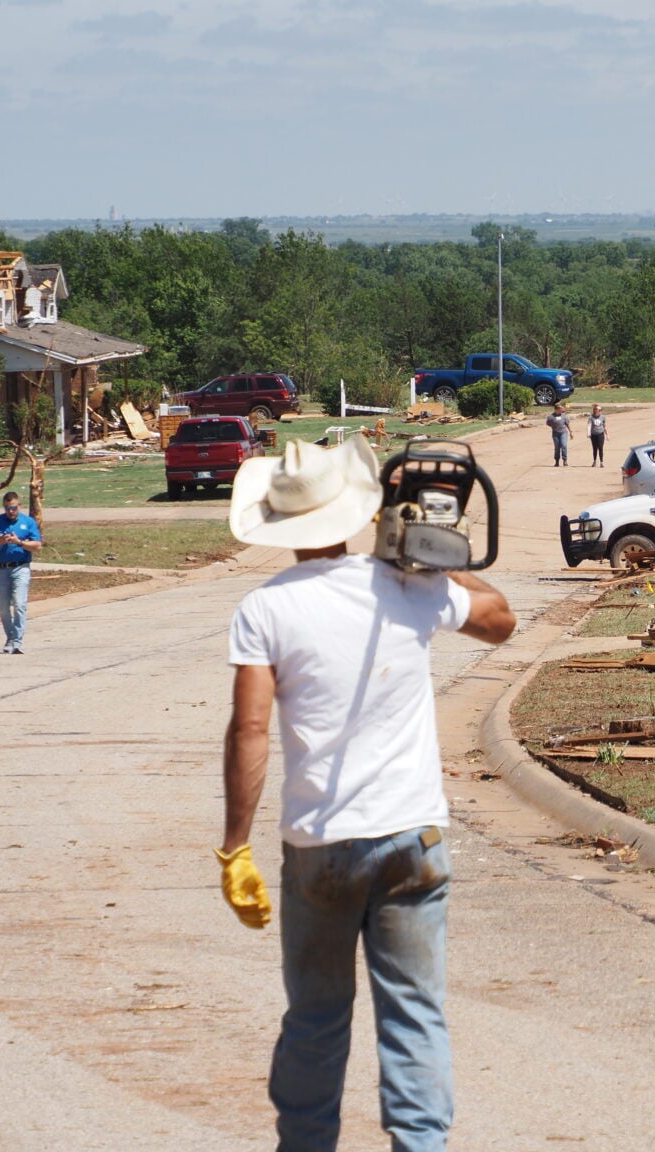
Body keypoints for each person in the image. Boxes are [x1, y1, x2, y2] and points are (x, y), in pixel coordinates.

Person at [215, 437, 517, 1151]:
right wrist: (434, 561)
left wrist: (234, 848)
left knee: (316, 1017)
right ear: (356, 513)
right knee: (415, 1015)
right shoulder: (407, 589)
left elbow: (249, 733)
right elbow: (501, 621)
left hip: (319, 847)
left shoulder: (264, 610)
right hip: (413, 839)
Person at [0, 490, 42, 654]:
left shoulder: (28, 522)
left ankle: (17, 641)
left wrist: (19, 542)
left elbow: (37, 545)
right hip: (2, 569)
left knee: (19, 604)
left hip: (21, 567)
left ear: (19, 506)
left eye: (13, 508)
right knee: (2, 607)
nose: (10, 511)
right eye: (7, 508)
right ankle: (10, 637)